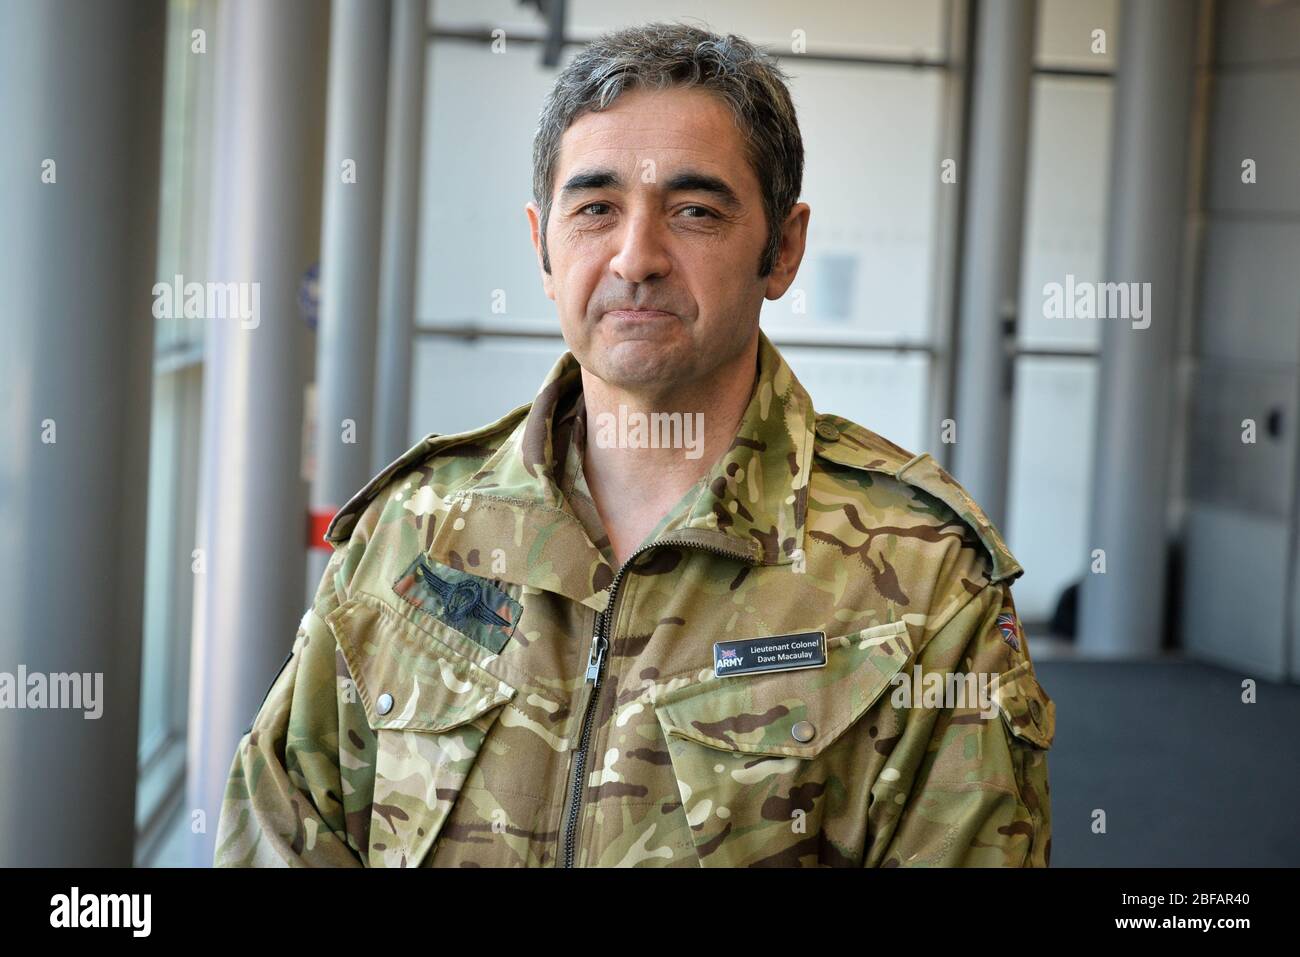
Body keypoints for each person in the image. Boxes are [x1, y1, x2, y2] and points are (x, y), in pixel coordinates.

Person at [214, 21, 1054, 868]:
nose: (636, 256)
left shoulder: (923, 576)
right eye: (596, 209)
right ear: (544, 245)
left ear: (783, 249)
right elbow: (282, 827)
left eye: (694, 210)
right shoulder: (413, 530)